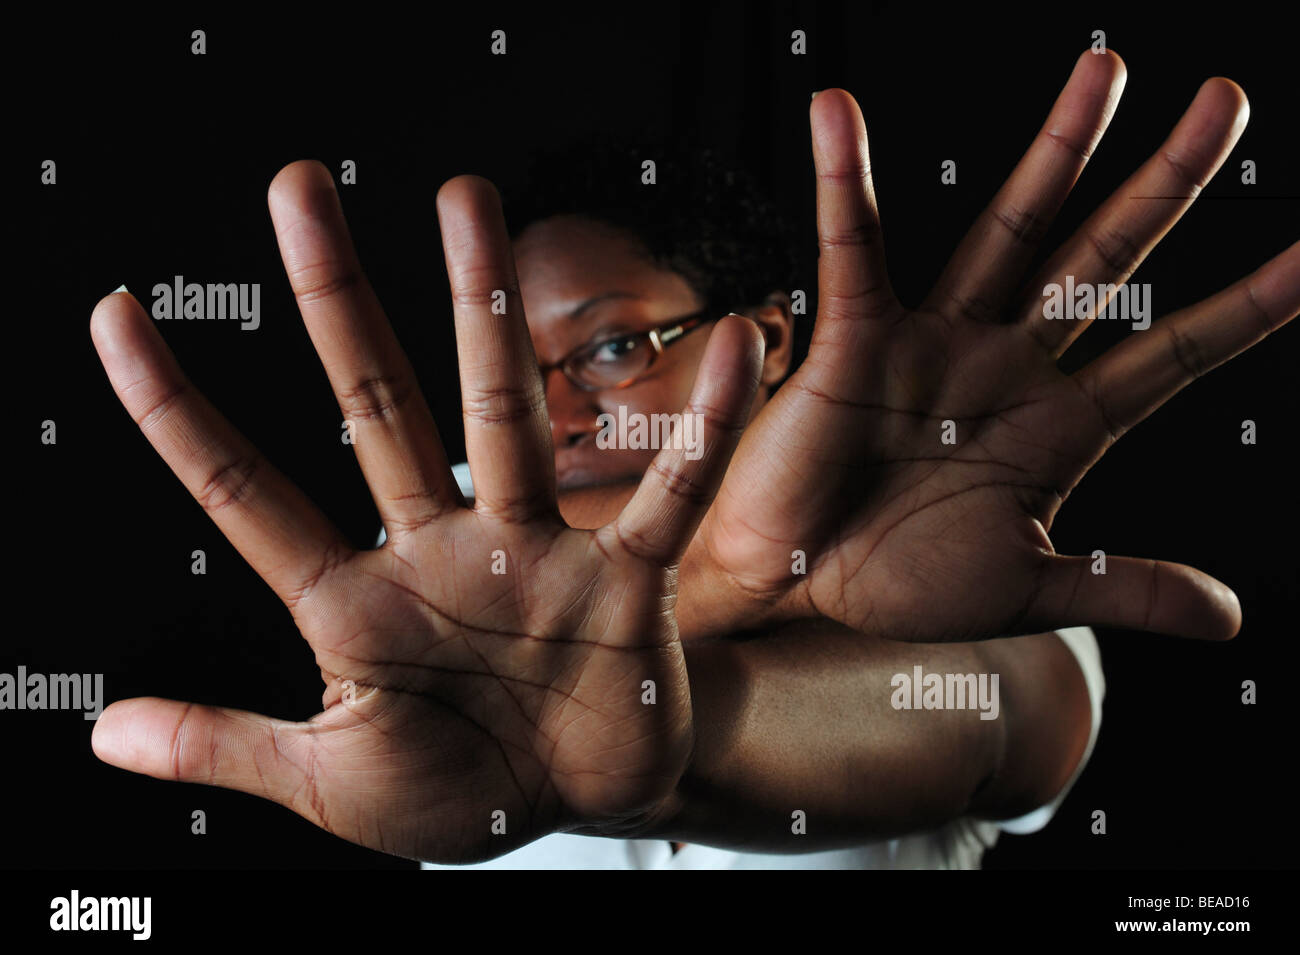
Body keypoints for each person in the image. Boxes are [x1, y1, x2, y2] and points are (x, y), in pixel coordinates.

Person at [87, 48, 1297, 867]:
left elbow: (987, 724)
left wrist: (671, 695)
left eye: (610, 347)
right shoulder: (438, 573)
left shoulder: (957, 556)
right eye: (513, 369)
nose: (555, 410)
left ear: (767, 339)